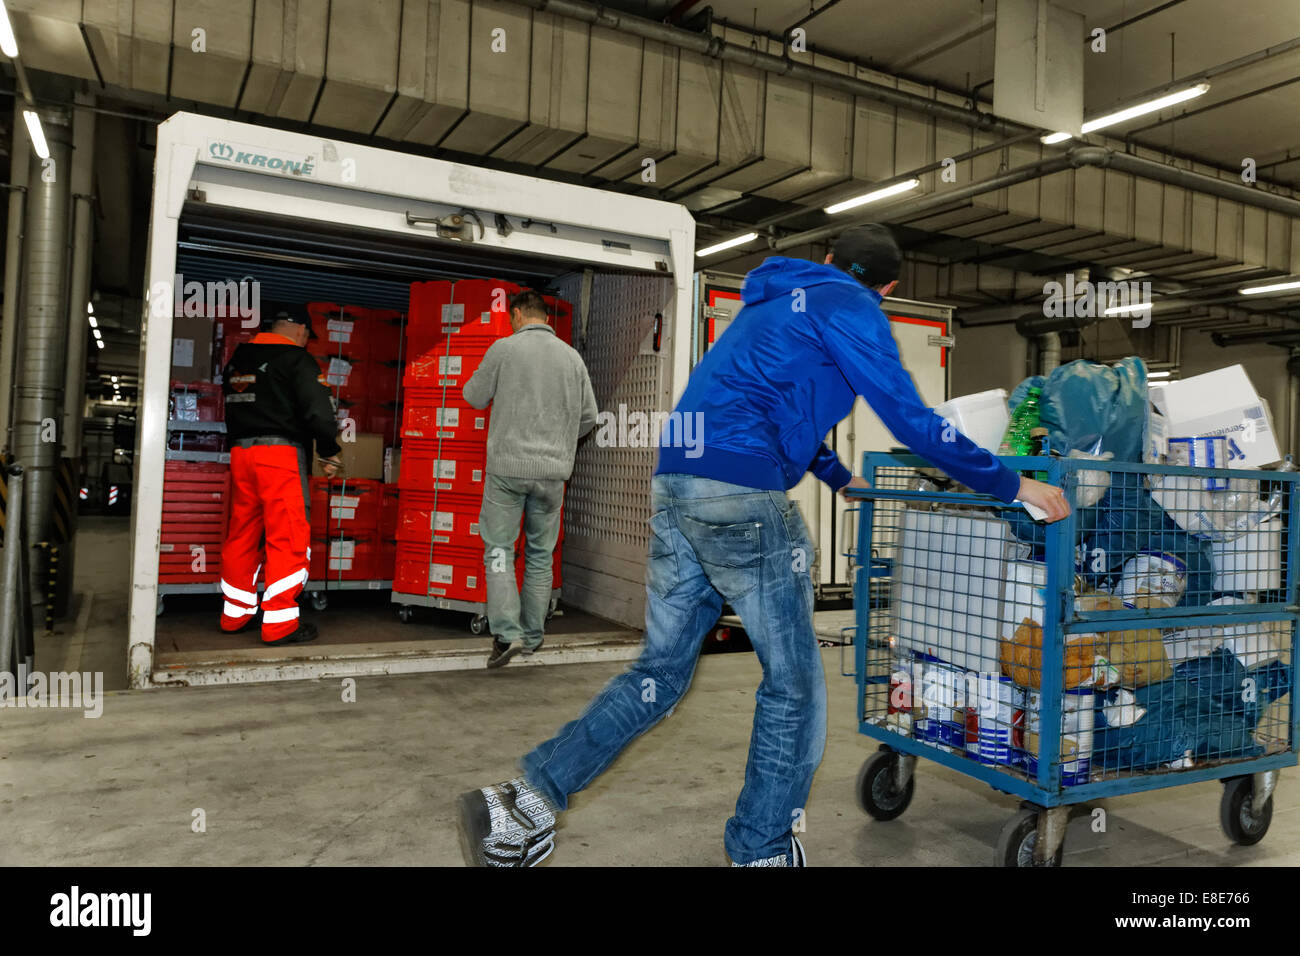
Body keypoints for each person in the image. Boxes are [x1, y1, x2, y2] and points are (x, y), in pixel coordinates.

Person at [456, 224, 1070, 867]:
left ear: (830, 260)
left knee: (658, 674)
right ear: (886, 288)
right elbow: (912, 420)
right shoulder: (852, 306)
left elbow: (771, 409)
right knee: (795, 688)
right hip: (741, 499)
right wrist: (1013, 484)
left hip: (676, 485)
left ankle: (522, 803)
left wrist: (838, 477)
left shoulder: (773, 302)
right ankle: (762, 848)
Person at [462, 288, 598, 669]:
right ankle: (534, 636)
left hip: (507, 470)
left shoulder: (504, 349)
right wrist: (559, 444)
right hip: (553, 474)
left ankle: (507, 634)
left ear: (518, 314)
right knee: (540, 555)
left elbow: (473, 396)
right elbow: (589, 416)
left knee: (501, 551)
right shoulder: (572, 358)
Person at [218, 307, 344, 645]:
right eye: (307, 335)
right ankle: (279, 624)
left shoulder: (238, 358)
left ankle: (235, 614)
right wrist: (329, 450)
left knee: (243, 532)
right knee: (287, 535)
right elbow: (319, 411)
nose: (306, 340)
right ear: (300, 329)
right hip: (279, 456)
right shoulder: (296, 359)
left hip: (241, 455)